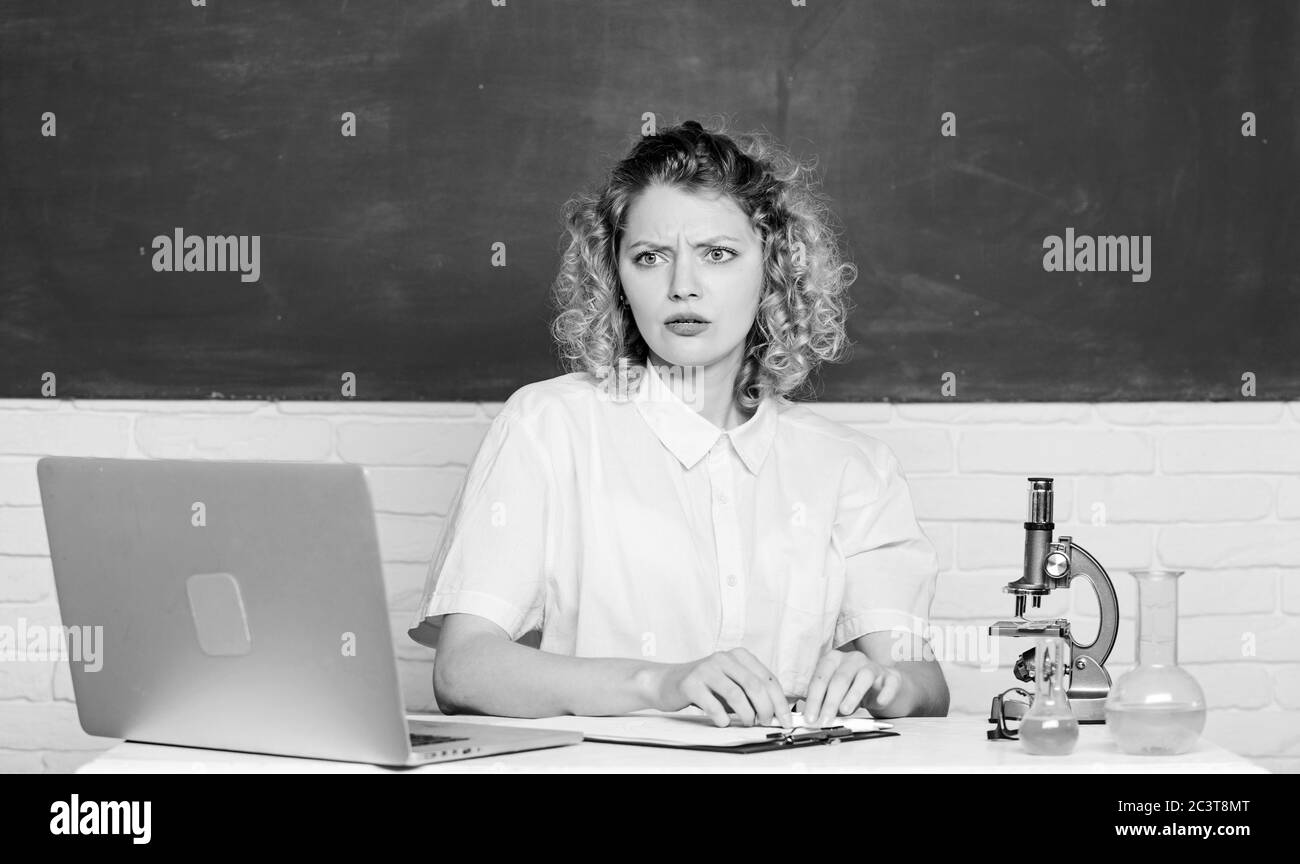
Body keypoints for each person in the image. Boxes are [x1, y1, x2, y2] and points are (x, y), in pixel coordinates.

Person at [408, 119, 948, 728]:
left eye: (717, 254)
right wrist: (662, 682)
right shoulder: (548, 425)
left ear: (774, 270)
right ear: (615, 276)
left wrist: (884, 682)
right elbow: (463, 670)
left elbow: (923, 680)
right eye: (650, 257)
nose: (682, 287)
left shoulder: (852, 467)